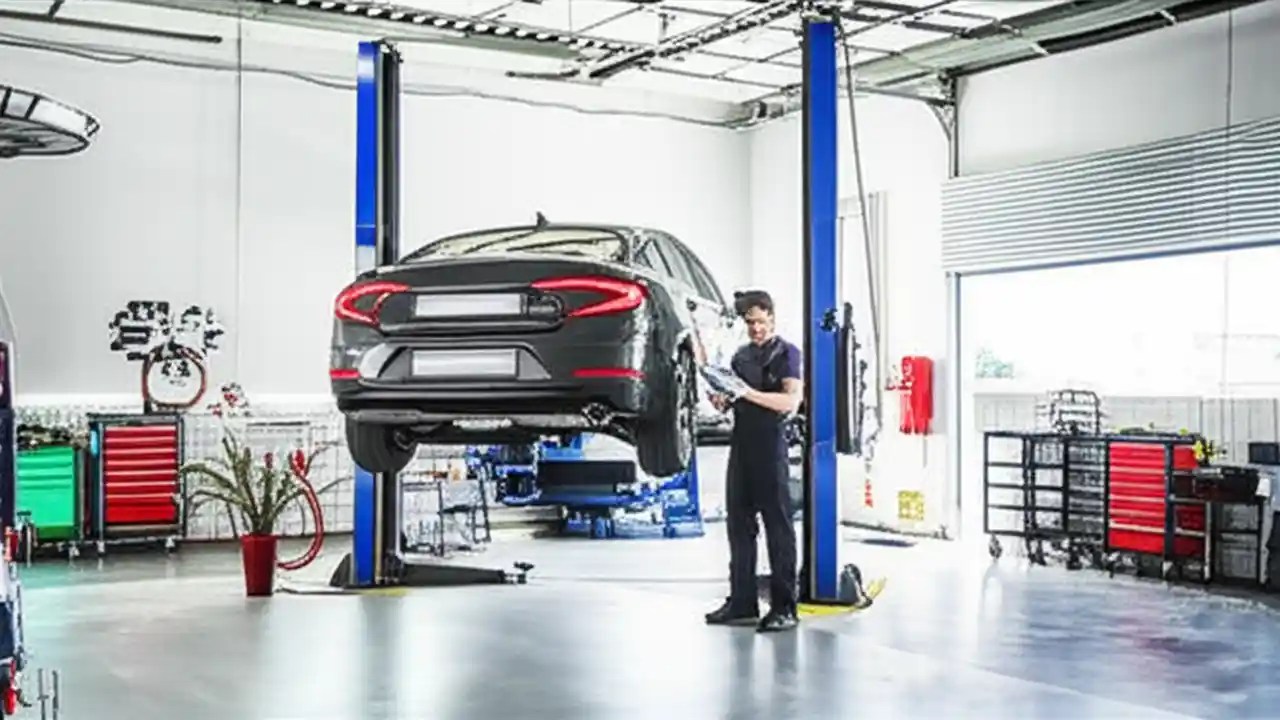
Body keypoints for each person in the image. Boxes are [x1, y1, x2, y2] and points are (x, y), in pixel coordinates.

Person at [704, 290, 802, 633]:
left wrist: (748, 394)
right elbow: (730, 400)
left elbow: (790, 402)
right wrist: (721, 398)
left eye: (760, 322)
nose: (755, 329)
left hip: (770, 445)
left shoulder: (787, 353)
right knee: (739, 526)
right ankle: (742, 602)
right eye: (749, 323)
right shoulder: (740, 356)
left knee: (778, 527)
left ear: (772, 318)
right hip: (742, 445)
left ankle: (785, 607)